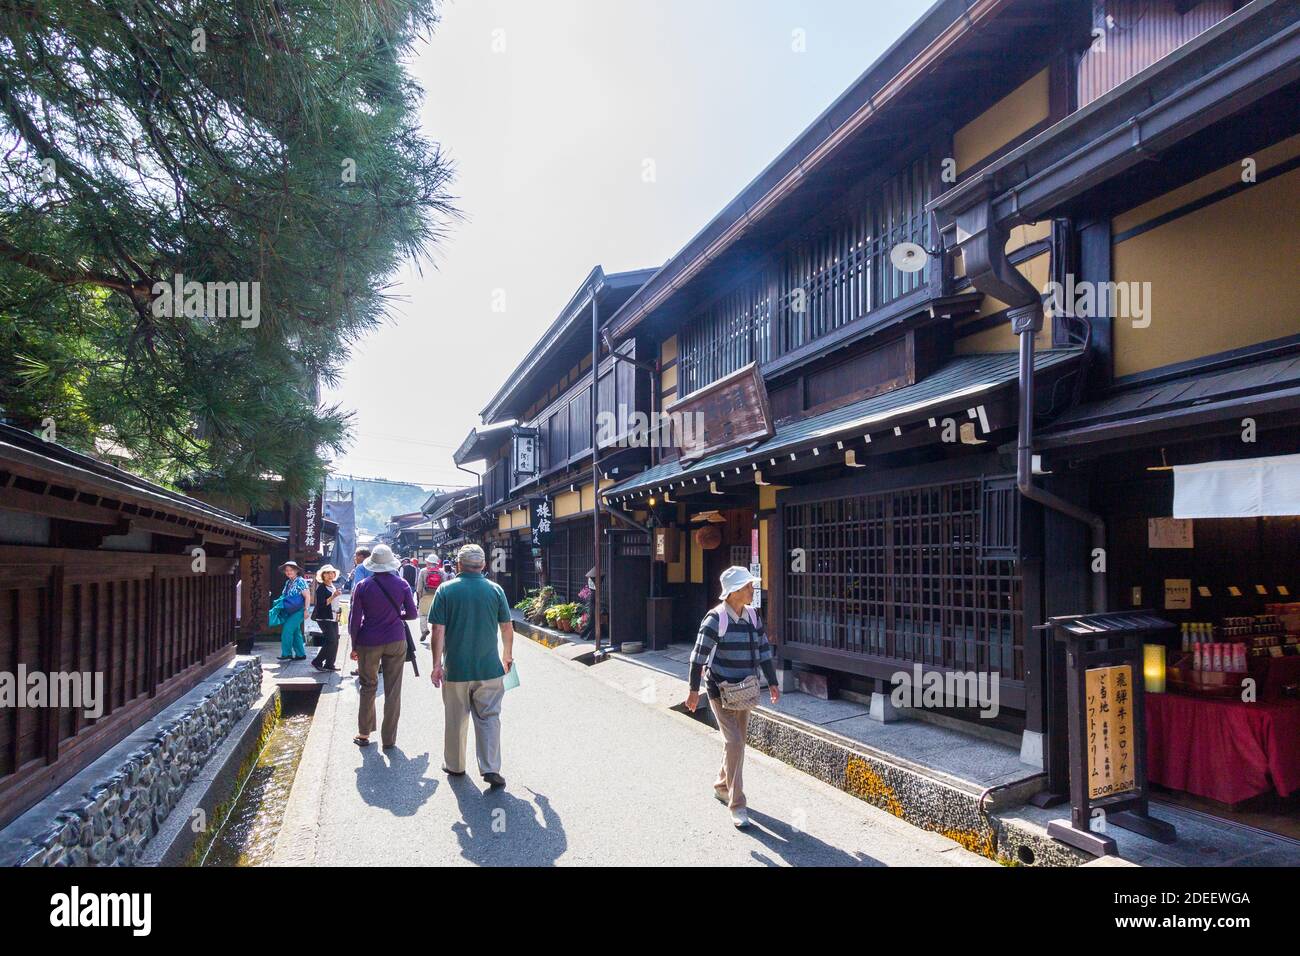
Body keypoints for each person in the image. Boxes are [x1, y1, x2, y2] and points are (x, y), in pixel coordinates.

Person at [685, 566, 780, 829]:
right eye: (749, 586)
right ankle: (737, 804)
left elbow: (762, 650)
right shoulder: (715, 619)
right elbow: (698, 657)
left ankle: (721, 784)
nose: (753, 590)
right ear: (736, 591)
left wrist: (772, 682)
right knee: (735, 742)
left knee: (736, 743)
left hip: (745, 689)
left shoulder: (752, 616)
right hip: (720, 690)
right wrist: (694, 692)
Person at [429, 544, 514, 789]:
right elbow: (507, 627)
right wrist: (507, 656)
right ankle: (490, 767)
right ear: (484, 565)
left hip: (456, 668)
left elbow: (438, 630)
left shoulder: (446, 590)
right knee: (489, 717)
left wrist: (437, 664)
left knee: (456, 717)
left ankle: (455, 765)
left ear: (458, 565)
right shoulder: (495, 590)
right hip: (489, 668)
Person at [347, 544, 417, 749]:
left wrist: (354, 645)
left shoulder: (362, 586)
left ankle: (364, 733)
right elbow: (412, 614)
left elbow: (354, 619)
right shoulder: (402, 584)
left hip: (368, 641)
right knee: (393, 690)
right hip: (396, 639)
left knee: (368, 686)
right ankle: (389, 739)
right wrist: (398, 616)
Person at [311, 565, 343, 672]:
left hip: (333, 617)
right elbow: (321, 604)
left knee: (335, 640)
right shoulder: (321, 588)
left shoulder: (333, 586)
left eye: (332, 573)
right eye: (327, 573)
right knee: (331, 640)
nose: (330, 575)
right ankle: (317, 661)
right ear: (323, 575)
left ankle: (330, 664)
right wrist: (333, 596)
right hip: (324, 618)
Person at [276, 561, 311, 662]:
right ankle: (300, 654)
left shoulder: (301, 581)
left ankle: (286, 653)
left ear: (296, 571)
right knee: (296, 632)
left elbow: (307, 596)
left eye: (291, 570)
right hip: (290, 610)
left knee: (287, 630)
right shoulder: (288, 582)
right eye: (287, 570)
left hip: (299, 610)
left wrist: (306, 610)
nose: (288, 572)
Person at [417, 555, 443, 642]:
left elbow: (419, 587)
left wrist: (419, 599)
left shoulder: (423, 571)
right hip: (437, 597)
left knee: (423, 615)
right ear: (436, 563)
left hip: (425, 596)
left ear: (428, 562)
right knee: (437, 617)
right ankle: (438, 633)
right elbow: (444, 586)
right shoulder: (441, 572)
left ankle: (424, 630)